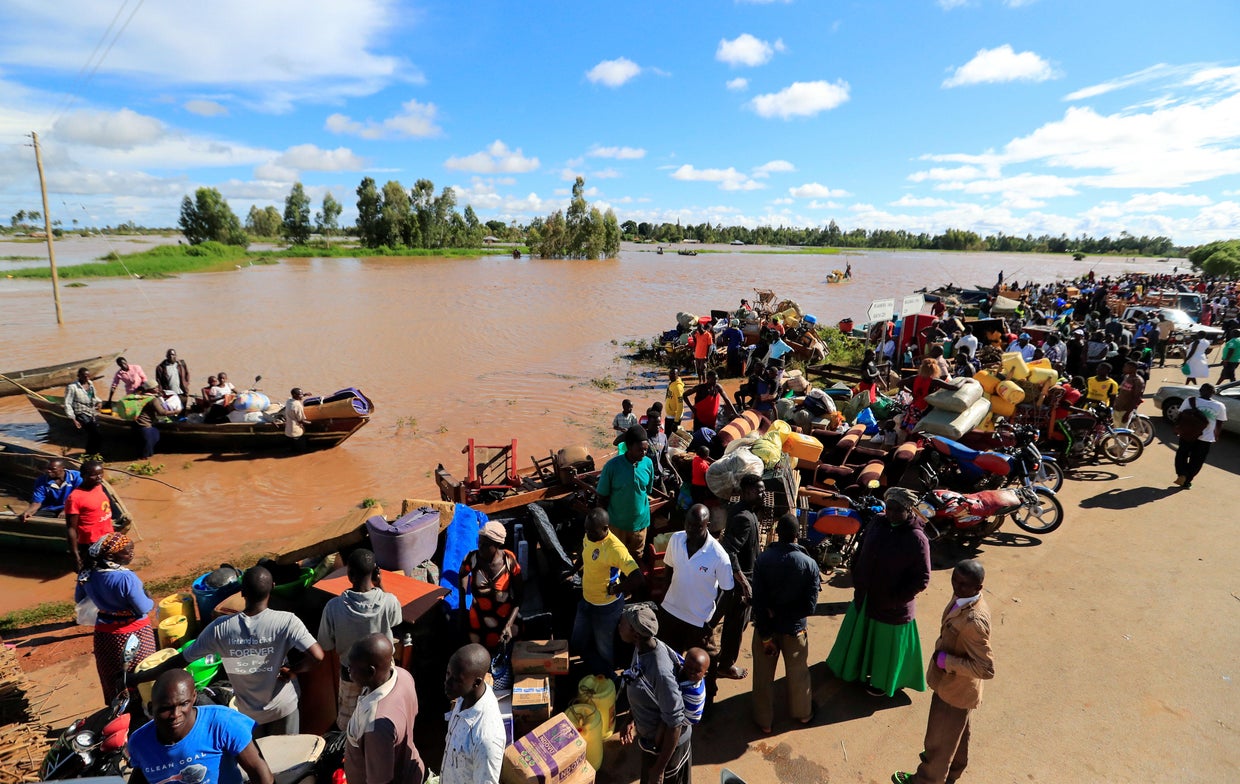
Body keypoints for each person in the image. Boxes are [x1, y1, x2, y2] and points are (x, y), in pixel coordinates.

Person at [138, 566, 325, 737]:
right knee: (288, 757)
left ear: (242, 591)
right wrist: (293, 670)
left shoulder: (220, 628)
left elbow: (180, 660)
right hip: (283, 707)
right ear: (273, 588)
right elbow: (317, 656)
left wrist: (137, 678)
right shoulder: (287, 621)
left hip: (249, 716)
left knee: (259, 757)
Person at [891, 559, 995, 784]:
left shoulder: (974, 621)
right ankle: (951, 772)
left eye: (964, 584)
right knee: (956, 735)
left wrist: (946, 661)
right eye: (955, 580)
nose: (957, 586)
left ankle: (927, 780)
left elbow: (986, 668)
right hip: (960, 691)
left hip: (954, 692)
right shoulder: (965, 599)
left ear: (978, 587)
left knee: (938, 743)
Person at [826, 487, 931, 698]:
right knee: (859, 639)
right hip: (865, 597)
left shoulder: (917, 538)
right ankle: (854, 670)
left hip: (890, 607)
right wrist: (856, 574)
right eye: (889, 508)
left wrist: (895, 599)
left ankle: (880, 682)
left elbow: (922, 578)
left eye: (898, 510)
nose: (891, 513)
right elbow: (860, 548)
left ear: (909, 510)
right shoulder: (877, 522)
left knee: (883, 650)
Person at [128, 670, 273, 784]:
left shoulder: (223, 722)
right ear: (151, 708)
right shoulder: (139, 742)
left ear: (193, 697)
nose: (176, 714)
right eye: (166, 708)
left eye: (183, 704)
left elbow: (259, 771)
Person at [659, 503, 735, 714]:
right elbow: (668, 569)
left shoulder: (718, 555)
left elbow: (728, 591)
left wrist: (711, 622)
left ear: (707, 525)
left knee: (705, 664)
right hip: (671, 614)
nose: (691, 530)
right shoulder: (676, 539)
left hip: (698, 622)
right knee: (668, 661)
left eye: (697, 526)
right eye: (689, 524)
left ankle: (707, 701)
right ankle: (670, 699)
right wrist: (664, 601)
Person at [318, 549, 404, 729]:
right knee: (382, 718)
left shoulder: (333, 607)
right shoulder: (389, 601)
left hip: (351, 675)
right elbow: (396, 620)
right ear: (375, 572)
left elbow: (325, 644)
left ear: (349, 574)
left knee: (350, 725)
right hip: (383, 673)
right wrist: (380, 584)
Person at [751, 512, 820, 733]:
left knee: (763, 677)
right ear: (797, 535)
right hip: (795, 630)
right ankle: (803, 714)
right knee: (798, 674)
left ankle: (764, 722)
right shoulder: (809, 564)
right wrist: (786, 614)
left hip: (767, 631)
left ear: (777, 533)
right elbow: (809, 607)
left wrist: (766, 635)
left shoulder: (763, 560)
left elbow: (758, 601)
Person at [74, 532, 158, 705]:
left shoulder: (87, 573)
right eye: (128, 552)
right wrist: (149, 599)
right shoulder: (126, 578)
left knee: (112, 673)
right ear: (111, 556)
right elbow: (143, 607)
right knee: (141, 670)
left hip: (104, 633)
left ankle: (119, 706)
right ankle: (144, 704)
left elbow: (79, 598)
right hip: (134, 632)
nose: (132, 554)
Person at [617, 603, 693, 784]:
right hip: (652, 741)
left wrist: (659, 769)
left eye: (622, 623)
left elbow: (675, 724)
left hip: (666, 749)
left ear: (636, 634)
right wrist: (630, 719)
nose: (619, 626)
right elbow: (645, 691)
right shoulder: (642, 648)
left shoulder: (660, 672)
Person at [571, 508, 644, 676]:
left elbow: (638, 578)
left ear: (605, 528)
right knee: (577, 640)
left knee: (604, 648)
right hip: (586, 600)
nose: (588, 535)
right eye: (586, 530)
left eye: (592, 532)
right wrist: (573, 570)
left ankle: (608, 679)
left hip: (606, 607)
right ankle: (589, 667)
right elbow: (585, 552)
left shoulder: (615, 549)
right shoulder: (590, 535)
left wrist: (616, 589)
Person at [344, 634, 425, 784]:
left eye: (352, 667)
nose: (348, 670)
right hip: (409, 769)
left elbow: (381, 780)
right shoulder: (403, 675)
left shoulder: (375, 726)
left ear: (371, 671)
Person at [716, 474, 762, 682]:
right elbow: (730, 551)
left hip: (743, 577)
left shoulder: (743, 510)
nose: (762, 494)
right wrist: (744, 583)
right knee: (736, 625)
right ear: (746, 492)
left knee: (736, 622)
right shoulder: (743, 517)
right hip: (741, 581)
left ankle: (723, 656)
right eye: (758, 491)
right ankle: (726, 665)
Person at [442, 643, 506, 784]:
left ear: (476, 682)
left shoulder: (486, 738)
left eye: (456, 680)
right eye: (448, 673)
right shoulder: (463, 697)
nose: (447, 682)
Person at [458, 522, 522, 654]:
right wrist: (463, 606)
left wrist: (509, 624)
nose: (480, 547)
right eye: (480, 542)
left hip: (505, 617)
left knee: (509, 650)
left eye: (486, 545)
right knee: (477, 652)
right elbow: (462, 575)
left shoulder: (509, 561)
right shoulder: (472, 558)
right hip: (478, 617)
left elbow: (520, 595)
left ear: (497, 545)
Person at [596, 425, 655, 558]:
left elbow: (647, 491)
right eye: (639, 449)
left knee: (636, 557)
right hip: (617, 526)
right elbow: (602, 497)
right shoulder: (612, 466)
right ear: (629, 446)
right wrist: (602, 526)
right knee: (615, 558)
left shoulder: (648, 464)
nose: (643, 453)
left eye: (645, 449)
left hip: (640, 525)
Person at [1174, 384, 1227, 489]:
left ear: (1200, 390)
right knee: (1197, 460)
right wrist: (1216, 435)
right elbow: (1219, 423)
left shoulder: (1190, 400)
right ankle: (1187, 480)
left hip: (1188, 434)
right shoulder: (1219, 406)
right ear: (1213, 393)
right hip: (1206, 438)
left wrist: (1177, 428)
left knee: (1182, 454)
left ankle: (1182, 474)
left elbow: (1180, 415)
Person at [65, 460, 115, 573]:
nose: (99, 477)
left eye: (101, 473)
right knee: (94, 573)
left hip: (108, 538)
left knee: (111, 571)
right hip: (90, 544)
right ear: (83, 476)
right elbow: (71, 529)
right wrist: (75, 555)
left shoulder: (98, 486)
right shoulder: (75, 498)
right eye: (94, 475)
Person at [16, 458, 80, 522]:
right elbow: (37, 502)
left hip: (72, 506)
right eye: (48, 469)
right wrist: (29, 511)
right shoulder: (41, 481)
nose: (49, 471)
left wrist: (66, 510)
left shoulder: (77, 477)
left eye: (53, 469)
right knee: (32, 519)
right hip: (51, 509)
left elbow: (79, 497)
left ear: (63, 468)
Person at [64, 367, 102, 455]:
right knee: (94, 432)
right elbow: (67, 403)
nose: (86, 378)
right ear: (79, 376)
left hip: (91, 411)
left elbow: (93, 396)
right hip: (80, 412)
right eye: (84, 376)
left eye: (88, 376)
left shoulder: (90, 384)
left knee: (96, 433)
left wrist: (99, 402)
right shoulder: (72, 387)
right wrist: (73, 418)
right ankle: (90, 453)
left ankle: (93, 452)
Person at [676, 647, 709, 726]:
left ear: (705, 674)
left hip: (687, 718)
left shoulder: (694, 693)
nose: (691, 671)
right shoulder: (681, 664)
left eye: (697, 670)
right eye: (689, 667)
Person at [1112, 361, 1146, 428]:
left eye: (1126, 367)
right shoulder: (1127, 377)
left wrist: (1127, 414)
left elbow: (1136, 398)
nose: (1123, 369)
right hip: (1117, 407)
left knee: (1122, 431)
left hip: (1125, 410)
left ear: (1133, 369)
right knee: (1116, 429)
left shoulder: (1138, 381)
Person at [664, 368, 685, 435]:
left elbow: (680, 405)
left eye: (673, 374)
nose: (671, 375)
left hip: (674, 417)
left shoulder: (678, 388)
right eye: (670, 374)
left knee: (670, 437)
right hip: (669, 415)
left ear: (677, 375)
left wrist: (676, 421)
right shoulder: (672, 384)